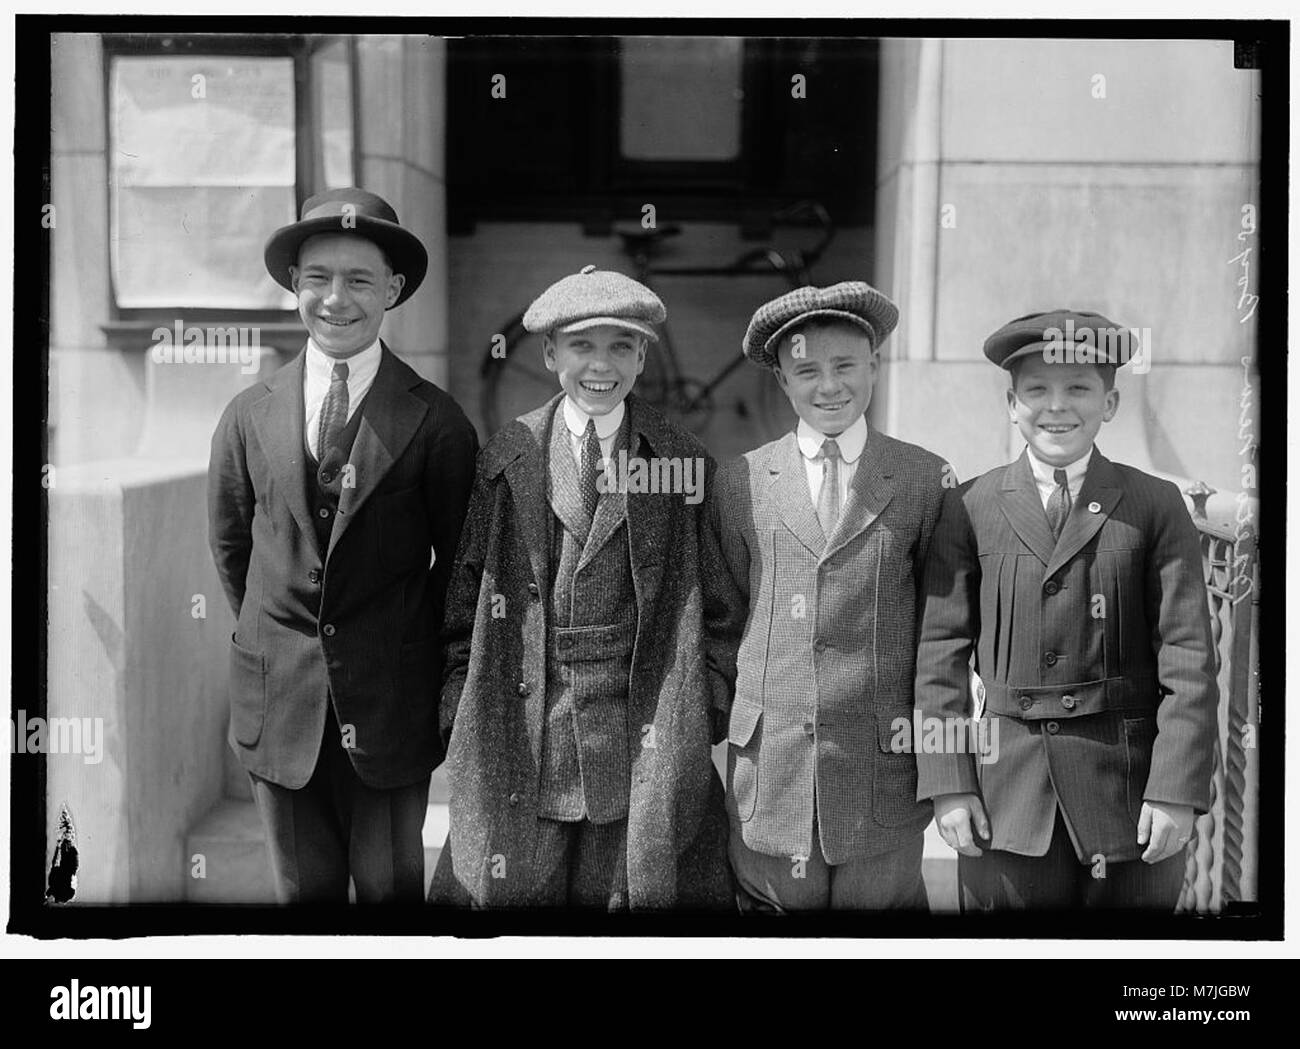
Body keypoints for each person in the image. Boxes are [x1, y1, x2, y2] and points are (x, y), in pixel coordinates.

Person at [429, 266, 731, 909]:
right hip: (523, 733)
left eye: (621, 346)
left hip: (639, 739)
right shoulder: (508, 457)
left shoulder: (678, 462)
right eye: (582, 346)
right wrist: (461, 709)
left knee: (625, 905)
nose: (602, 365)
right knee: (512, 901)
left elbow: (722, 608)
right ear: (549, 353)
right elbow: (461, 602)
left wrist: (704, 707)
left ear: (644, 355)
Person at [208, 188, 478, 903]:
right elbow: (234, 549)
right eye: (318, 278)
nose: (336, 299)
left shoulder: (438, 421)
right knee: (303, 897)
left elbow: (460, 574)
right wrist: (281, 641)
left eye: (359, 280)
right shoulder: (247, 413)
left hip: (390, 708)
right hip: (279, 704)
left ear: (392, 289)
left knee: (390, 893)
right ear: (294, 283)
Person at [915, 309, 1218, 910]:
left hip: (1128, 799)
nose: (1057, 407)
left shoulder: (1154, 505)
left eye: (1078, 388)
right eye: (1037, 391)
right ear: (1011, 403)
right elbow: (939, 655)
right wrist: (950, 785)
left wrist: (1175, 790)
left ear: (1109, 403)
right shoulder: (970, 504)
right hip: (1005, 803)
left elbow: (1188, 659)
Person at [705, 281, 950, 911]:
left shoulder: (924, 478)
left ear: (874, 366)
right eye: (806, 371)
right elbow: (724, 617)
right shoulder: (743, 480)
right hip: (772, 769)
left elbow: (942, 631)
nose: (829, 386)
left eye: (845, 366)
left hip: (881, 771)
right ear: (783, 383)